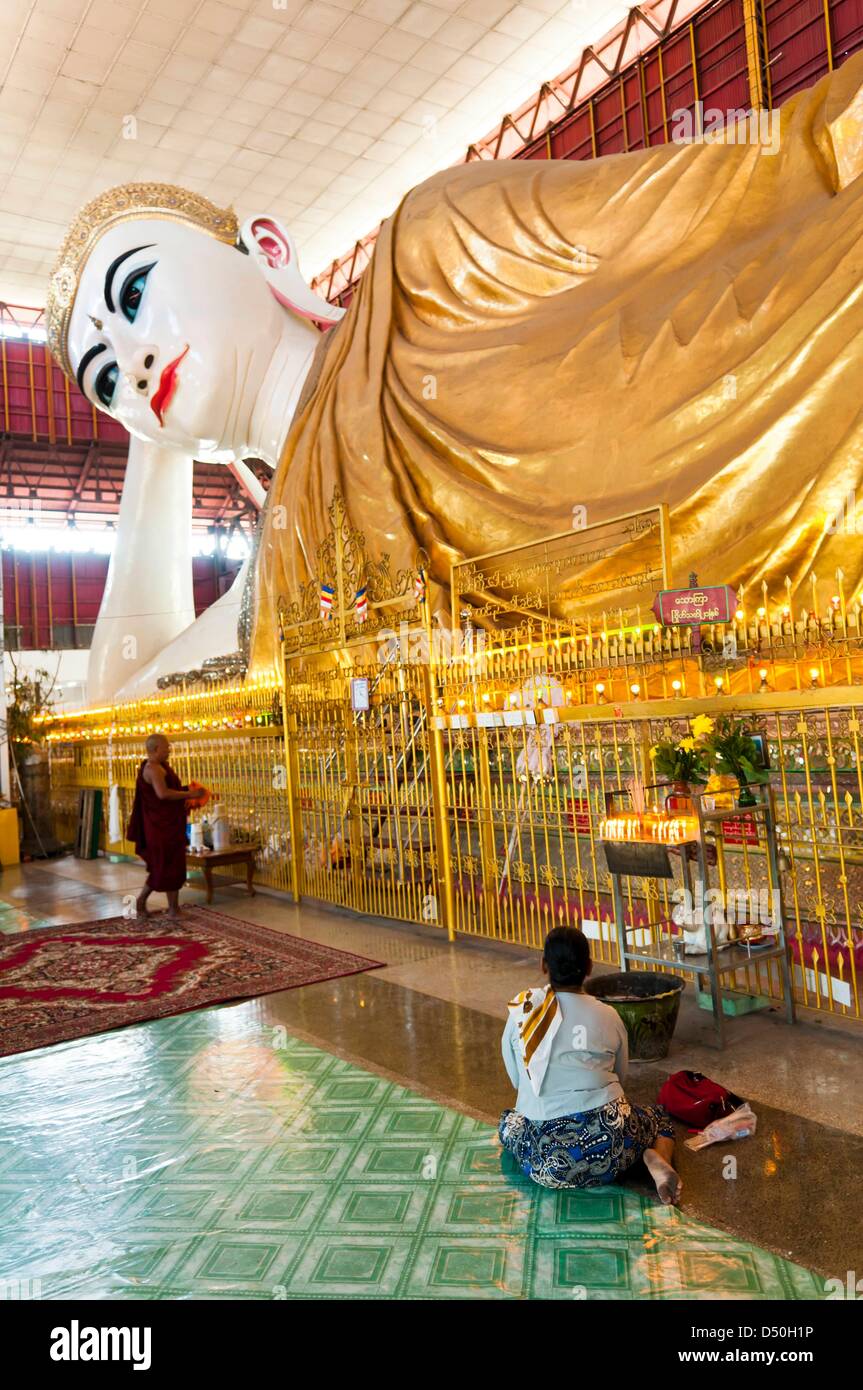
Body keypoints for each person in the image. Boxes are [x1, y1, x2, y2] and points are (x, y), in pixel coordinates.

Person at [499, 926, 681, 1204]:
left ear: (543, 965)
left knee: (508, 1122)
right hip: (612, 1145)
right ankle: (657, 1158)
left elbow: (516, 1081)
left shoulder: (524, 1014)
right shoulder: (608, 1015)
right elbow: (620, 1077)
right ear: (589, 967)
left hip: (550, 1163)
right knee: (658, 1118)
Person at [126, 734, 203, 919]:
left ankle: (169, 908)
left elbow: (167, 790)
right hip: (160, 827)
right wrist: (189, 794)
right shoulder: (153, 769)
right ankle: (151, 904)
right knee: (164, 867)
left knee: (170, 866)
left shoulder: (160, 767)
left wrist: (186, 791)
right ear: (155, 749)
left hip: (166, 824)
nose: (169, 750)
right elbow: (162, 794)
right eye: (166, 747)